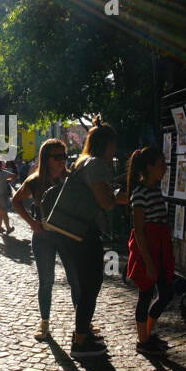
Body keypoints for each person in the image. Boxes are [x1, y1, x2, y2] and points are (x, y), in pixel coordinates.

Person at [65, 116, 128, 357]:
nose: (115, 149)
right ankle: (81, 342)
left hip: (74, 231)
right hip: (85, 232)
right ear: (105, 144)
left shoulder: (83, 161)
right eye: (113, 144)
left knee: (85, 284)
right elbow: (105, 202)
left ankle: (83, 332)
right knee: (92, 284)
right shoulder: (97, 165)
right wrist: (120, 198)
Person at [12, 139, 82, 341]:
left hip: (68, 237)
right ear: (46, 158)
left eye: (64, 156)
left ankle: (82, 323)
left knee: (75, 280)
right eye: (57, 157)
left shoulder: (71, 179)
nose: (62, 161)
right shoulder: (35, 181)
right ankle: (44, 322)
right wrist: (32, 223)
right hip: (43, 237)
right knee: (46, 281)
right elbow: (16, 200)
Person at [125, 146, 174, 356]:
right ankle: (143, 340)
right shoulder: (140, 193)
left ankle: (148, 332)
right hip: (149, 250)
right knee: (145, 295)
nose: (165, 168)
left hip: (161, 248)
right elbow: (139, 231)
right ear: (149, 166)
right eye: (161, 164)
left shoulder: (156, 189)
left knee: (166, 293)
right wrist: (149, 262)